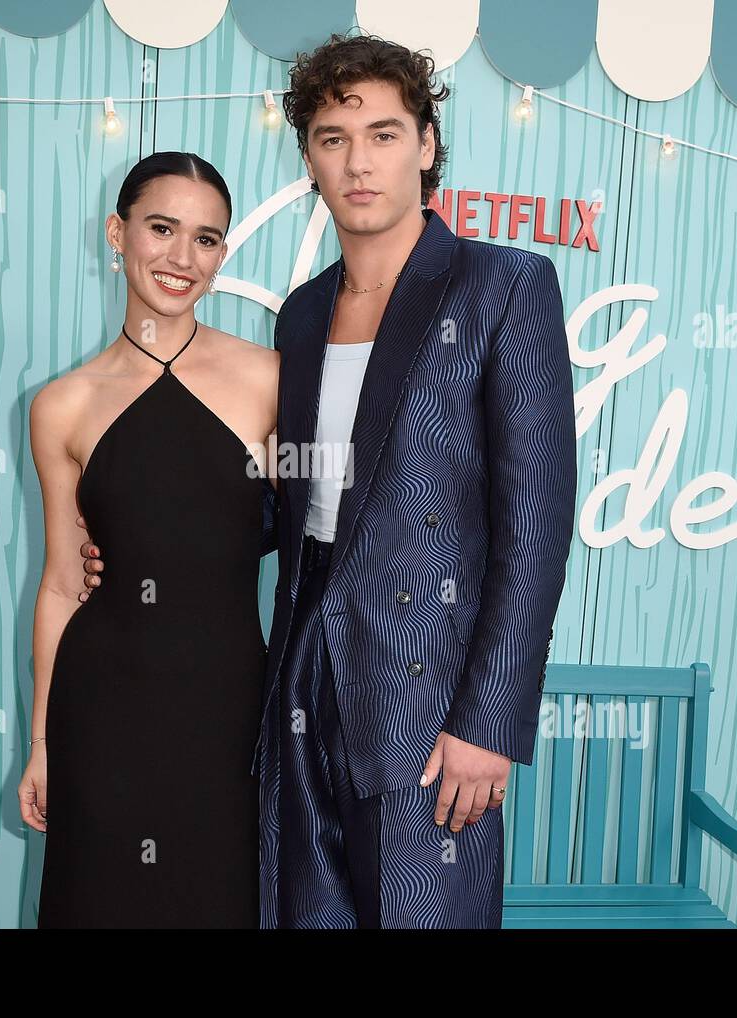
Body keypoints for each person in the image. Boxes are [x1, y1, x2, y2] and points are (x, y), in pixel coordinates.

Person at [78, 33, 577, 929]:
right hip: (302, 676)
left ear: (427, 146)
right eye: (333, 138)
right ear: (307, 156)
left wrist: (490, 723)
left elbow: (535, 524)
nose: (359, 163)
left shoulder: (504, 285)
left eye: (384, 135)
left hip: (431, 700)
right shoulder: (304, 312)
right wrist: (135, 531)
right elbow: (295, 497)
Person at [20, 151, 280, 928]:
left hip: (230, 706)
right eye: (161, 228)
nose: (180, 257)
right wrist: (40, 742)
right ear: (118, 232)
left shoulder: (271, 378)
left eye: (205, 239)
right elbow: (64, 583)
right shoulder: (61, 405)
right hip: (101, 706)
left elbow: (321, 526)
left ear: (222, 254)